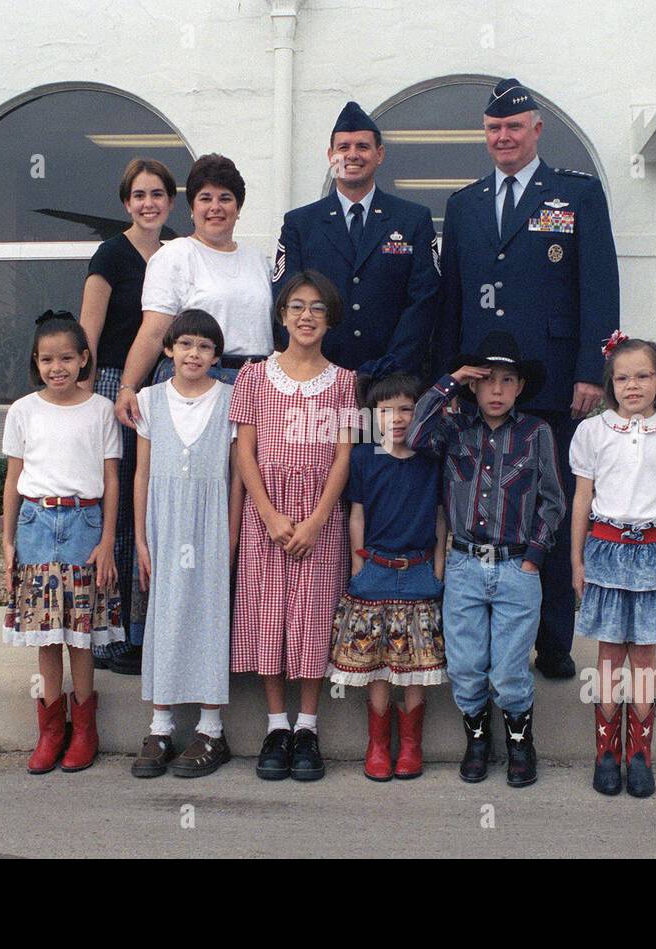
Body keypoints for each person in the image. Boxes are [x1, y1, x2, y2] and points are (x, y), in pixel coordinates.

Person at [435, 77, 620, 681]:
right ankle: (481, 627)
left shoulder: (575, 194)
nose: (503, 137)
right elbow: (453, 295)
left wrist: (593, 370)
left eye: (513, 127)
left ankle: (554, 639)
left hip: (551, 378)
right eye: (493, 129)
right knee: (481, 503)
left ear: (536, 130)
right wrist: (450, 373)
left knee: (553, 504)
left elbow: (598, 285)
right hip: (481, 382)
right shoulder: (463, 204)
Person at [408, 330, 566, 788]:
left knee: (511, 668)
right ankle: (477, 739)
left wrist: (534, 557)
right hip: (463, 565)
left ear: (520, 387)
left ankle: (520, 742)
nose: (497, 390)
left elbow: (553, 501)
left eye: (507, 380)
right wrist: (449, 381)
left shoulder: (536, 433)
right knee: (465, 663)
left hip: (517, 566)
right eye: (487, 380)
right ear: (473, 385)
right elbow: (416, 435)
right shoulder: (455, 429)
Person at [230, 270, 357, 782]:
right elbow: (244, 450)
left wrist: (319, 518)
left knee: (311, 615)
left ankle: (308, 727)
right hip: (270, 515)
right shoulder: (254, 377)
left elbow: (345, 455)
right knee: (267, 615)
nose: (307, 316)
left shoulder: (347, 381)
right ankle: (275, 725)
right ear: (282, 315)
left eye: (318, 308)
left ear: (330, 319)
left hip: (319, 517)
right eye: (297, 306)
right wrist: (268, 512)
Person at [570, 333, 656, 798]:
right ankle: (605, 753)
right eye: (622, 377)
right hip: (605, 549)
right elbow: (582, 499)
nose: (633, 386)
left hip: (654, 553)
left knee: (643, 655)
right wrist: (575, 559)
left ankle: (639, 755)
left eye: (643, 376)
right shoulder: (593, 432)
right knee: (609, 655)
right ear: (611, 383)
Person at [0, 310, 123, 774]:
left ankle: (84, 730)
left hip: (84, 525)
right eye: (47, 359)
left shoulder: (99, 412)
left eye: (67, 358)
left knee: (80, 634)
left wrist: (108, 539)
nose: (58, 368)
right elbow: (13, 480)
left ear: (84, 359)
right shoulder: (23, 411)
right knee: (46, 634)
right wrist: (8, 540)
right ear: (36, 362)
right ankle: (51, 730)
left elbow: (112, 481)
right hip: (35, 524)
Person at [130, 309, 243, 779]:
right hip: (165, 521)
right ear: (169, 350)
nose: (194, 354)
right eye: (186, 345)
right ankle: (160, 726)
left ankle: (211, 730)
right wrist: (140, 538)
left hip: (211, 521)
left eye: (204, 347)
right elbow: (140, 473)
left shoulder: (233, 400)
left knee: (209, 616)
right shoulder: (150, 400)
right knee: (167, 614)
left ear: (216, 356)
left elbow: (237, 478)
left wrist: (232, 538)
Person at [328, 354, 447, 781]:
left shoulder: (431, 458)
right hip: (373, 570)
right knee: (377, 663)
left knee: (415, 662)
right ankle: (378, 743)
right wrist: (357, 568)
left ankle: (411, 744)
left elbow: (439, 517)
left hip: (418, 570)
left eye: (406, 409)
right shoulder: (363, 458)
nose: (396, 418)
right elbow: (355, 515)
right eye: (385, 410)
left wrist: (437, 571)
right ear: (371, 415)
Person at [79, 158, 176, 676]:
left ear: (170, 201)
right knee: (114, 511)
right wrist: (91, 399)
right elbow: (88, 337)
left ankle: (140, 629)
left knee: (146, 508)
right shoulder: (110, 256)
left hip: (161, 388)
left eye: (157, 194)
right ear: (126, 202)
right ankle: (105, 634)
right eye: (139, 195)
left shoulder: (175, 252)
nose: (148, 203)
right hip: (115, 383)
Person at [273, 101, 439, 373]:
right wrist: (309, 366)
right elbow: (284, 298)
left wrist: (393, 367)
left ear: (379, 154)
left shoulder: (412, 220)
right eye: (343, 147)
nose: (353, 155)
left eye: (362, 147)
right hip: (317, 374)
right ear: (331, 156)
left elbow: (424, 300)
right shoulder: (300, 224)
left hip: (391, 382)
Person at [115, 153, 274, 433]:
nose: (215, 207)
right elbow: (153, 332)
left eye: (225, 198)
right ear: (191, 207)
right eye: (205, 198)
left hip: (257, 385)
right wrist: (129, 386)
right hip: (197, 382)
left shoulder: (258, 260)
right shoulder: (175, 255)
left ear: (238, 208)